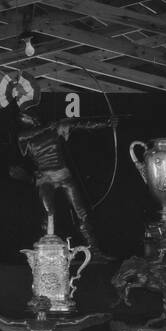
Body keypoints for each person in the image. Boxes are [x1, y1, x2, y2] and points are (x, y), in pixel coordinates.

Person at [12, 88, 117, 257]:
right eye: (26, 116)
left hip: (63, 175)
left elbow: (80, 124)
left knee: (81, 212)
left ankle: (95, 251)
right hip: (45, 178)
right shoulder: (24, 136)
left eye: (31, 114)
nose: (30, 118)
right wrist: (50, 126)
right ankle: (46, 252)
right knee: (49, 213)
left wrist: (106, 122)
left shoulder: (56, 128)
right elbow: (26, 136)